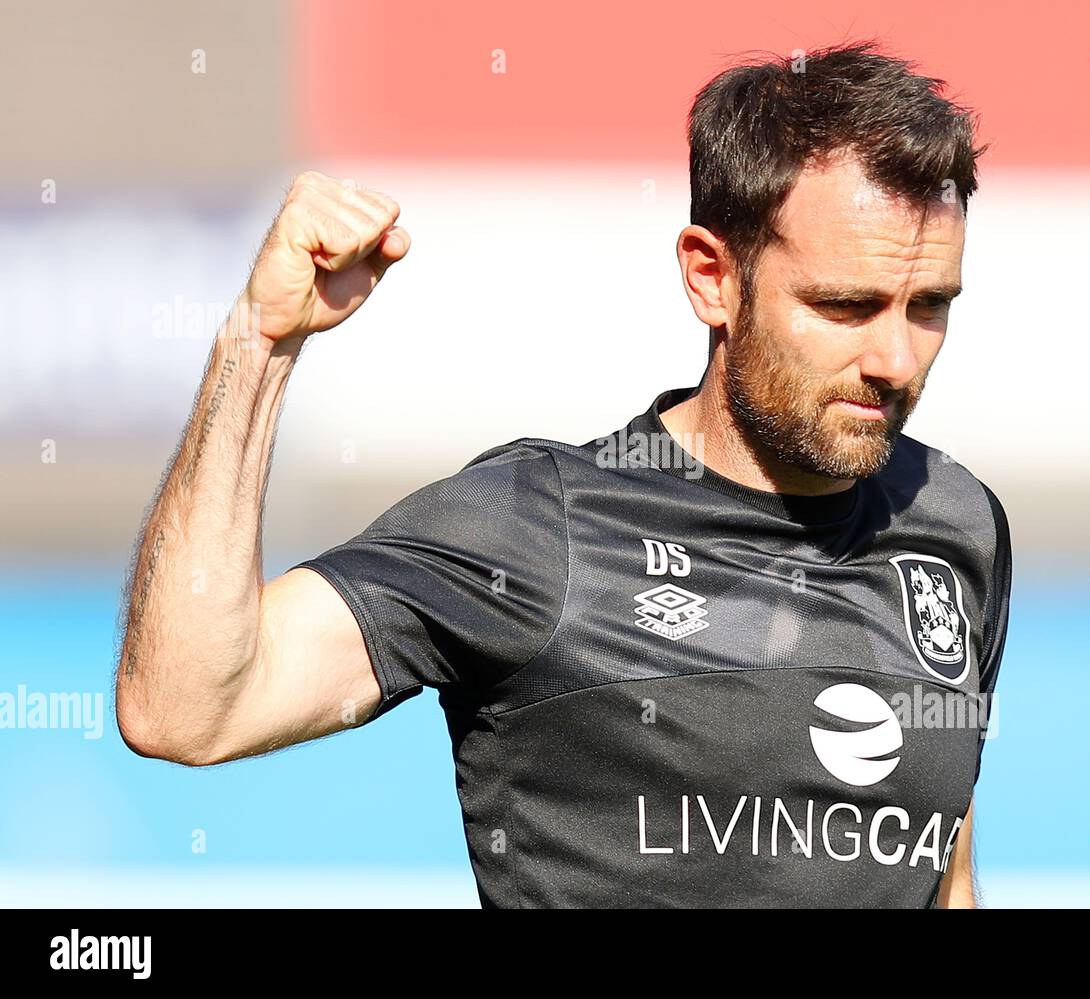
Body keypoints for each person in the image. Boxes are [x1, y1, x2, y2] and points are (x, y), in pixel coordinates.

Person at [116, 39, 1011, 909]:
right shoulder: (534, 527)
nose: (896, 359)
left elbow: (948, 882)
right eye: (846, 304)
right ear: (712, 278)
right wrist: (260, 343)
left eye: (929, 305)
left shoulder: (954, 521)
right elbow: (186, 709)